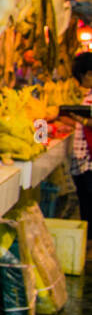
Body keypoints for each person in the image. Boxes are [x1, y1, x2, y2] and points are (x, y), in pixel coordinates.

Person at [64, 52, 92, 230]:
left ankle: (88, 243)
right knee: (85, 201)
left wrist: (80, 119)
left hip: (89, 161)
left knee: (88, 202)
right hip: (84, 160)